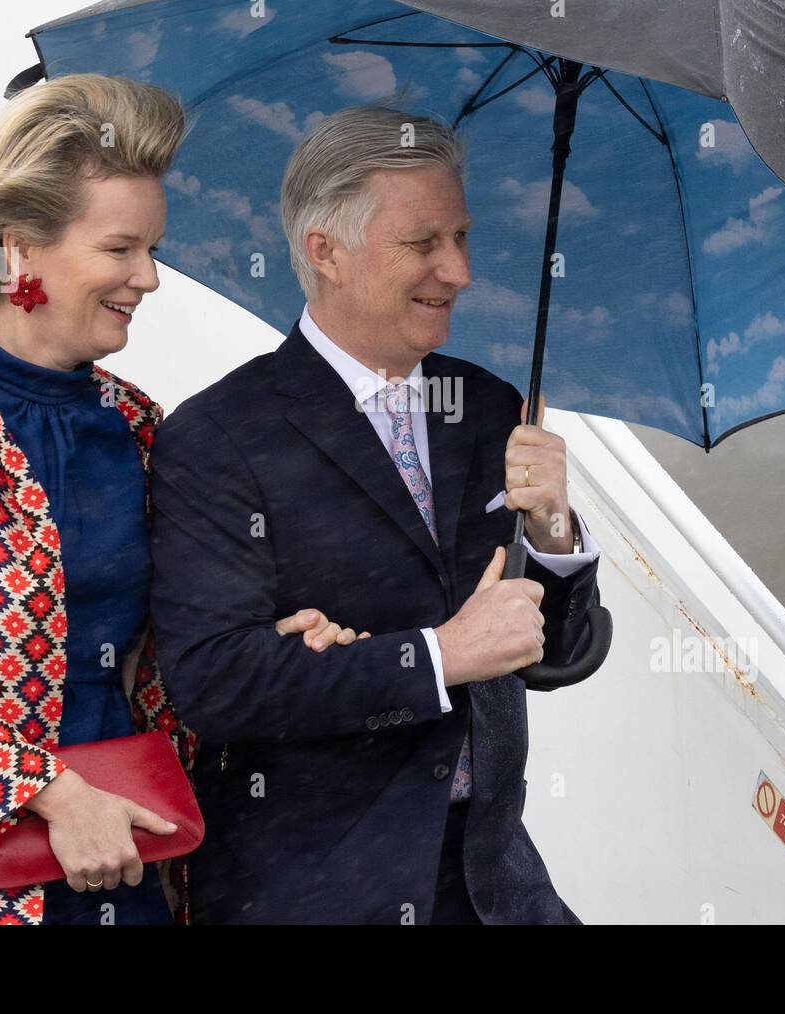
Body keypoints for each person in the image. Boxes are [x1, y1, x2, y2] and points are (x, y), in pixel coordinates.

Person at [0, 73, 356, 925]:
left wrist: (261, 642)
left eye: (151, 249)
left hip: (124, 843)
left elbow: (164, 643)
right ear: (19, 253)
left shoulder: (142, 426)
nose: (148, 278)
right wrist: (46, 791)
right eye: (121, 250)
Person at [150, 105, 602, 924]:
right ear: (326, 251)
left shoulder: (492, 405)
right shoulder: (218, 436)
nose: (458, 271)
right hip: (318, 889)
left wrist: (554, 537)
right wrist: (438, 656)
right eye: (425, 243)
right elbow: (217, 684)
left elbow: (557, 653)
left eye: (461, 239)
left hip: (496, 882)